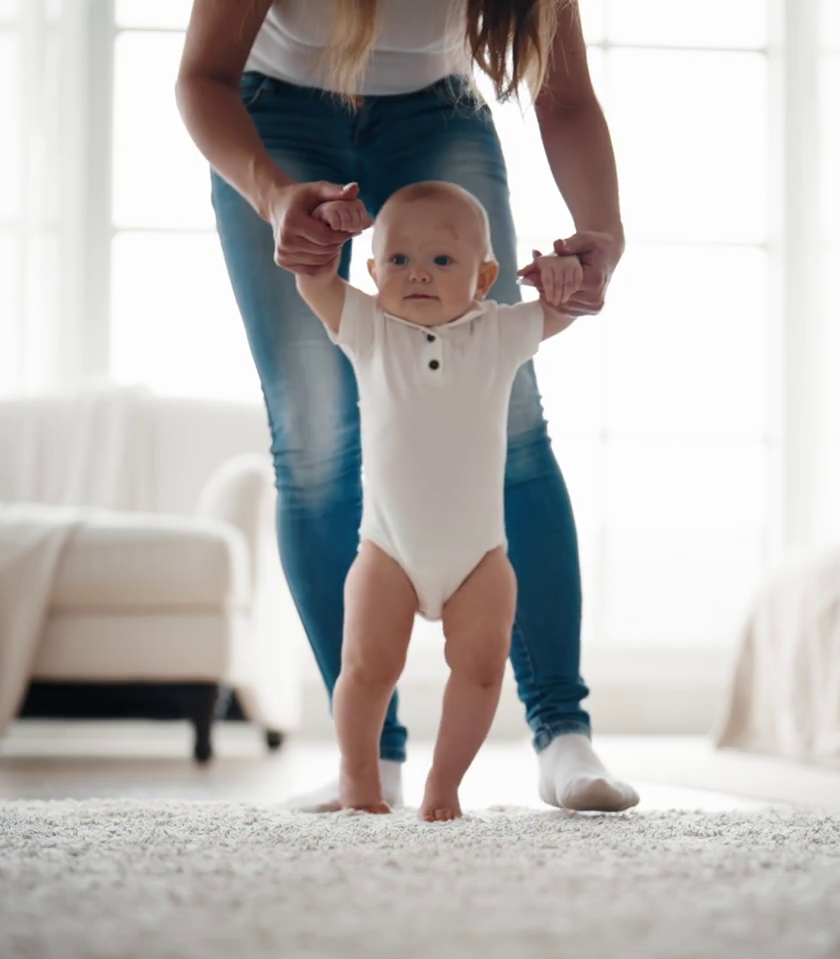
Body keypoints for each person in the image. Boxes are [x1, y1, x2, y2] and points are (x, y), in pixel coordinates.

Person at [176, 0, 639, 812]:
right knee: (315, 442)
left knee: (515, 423)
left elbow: (565, 98)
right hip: (273, 114)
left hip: (437, 115)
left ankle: (563, 732)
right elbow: (201, 77)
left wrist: (602, 232)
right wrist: (273, 195)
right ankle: (372, 757)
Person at [293, 179, 582, 819]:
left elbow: (570, 308)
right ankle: (359, 780)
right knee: (366, 668)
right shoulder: (369, 328)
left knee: (482, 667)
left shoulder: (500, 333)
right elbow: (314, 284)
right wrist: (322, 239)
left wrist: (565, 274)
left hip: (478, 555)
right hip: (387, 550)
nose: (417, 274)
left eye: (441, 261)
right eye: (398, 260)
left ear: (483, 278)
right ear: (372, 271)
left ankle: (443, 785)